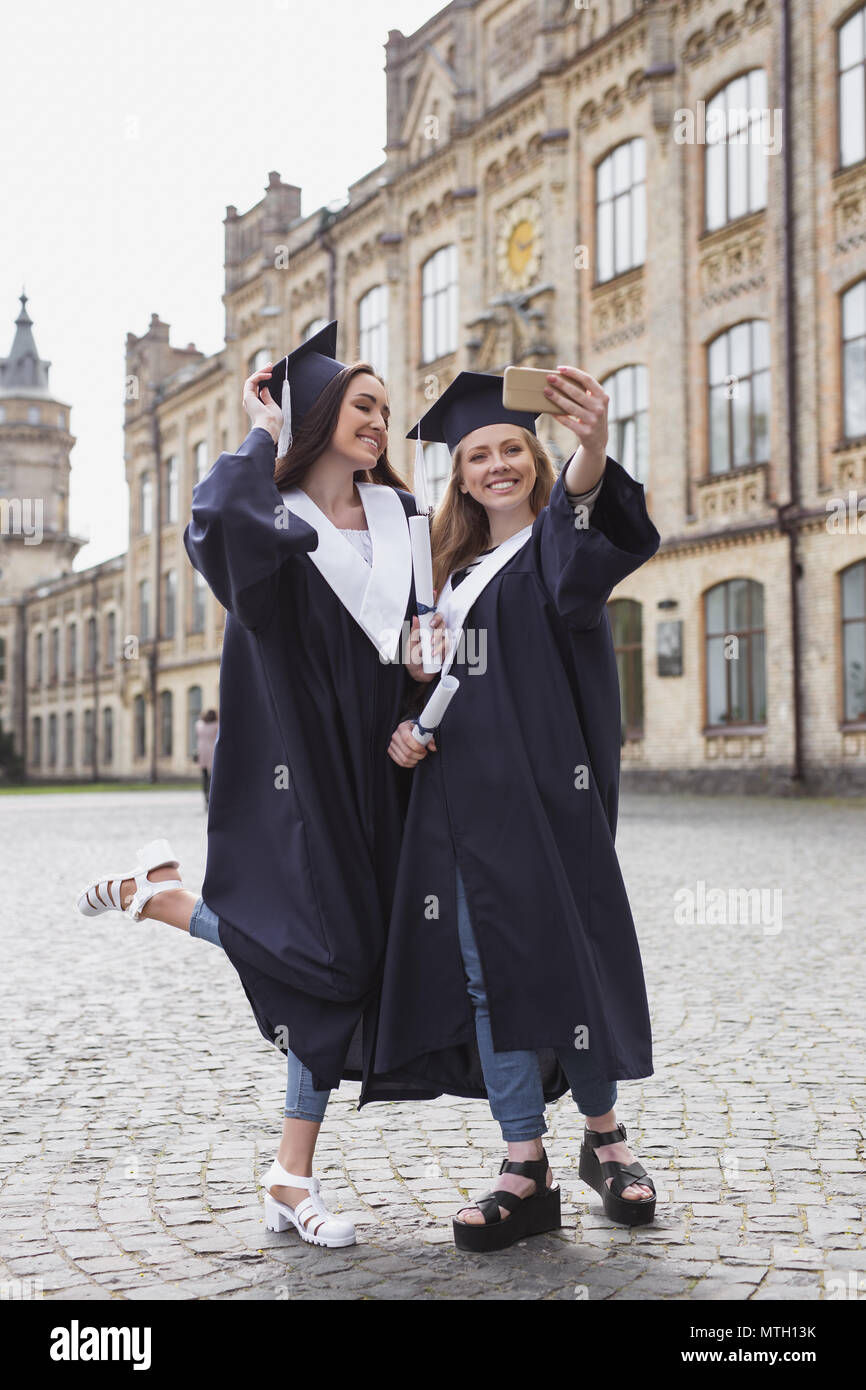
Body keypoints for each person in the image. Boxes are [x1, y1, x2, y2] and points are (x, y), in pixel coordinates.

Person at [75, 323, 443, 1248]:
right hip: (295, 773)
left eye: (387, 412)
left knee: (346, 963)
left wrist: (424, 681)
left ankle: (288, 1173)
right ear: (319, 413)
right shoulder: (274, 524)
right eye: (364, 404)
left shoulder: (407, 522)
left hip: (383, 771)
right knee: (331, 961)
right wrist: (262, 431)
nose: (380, 421)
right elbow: (216, 522)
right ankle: (288, 1175)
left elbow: (424, 637)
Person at [374, 367, 661, 1252]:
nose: (496, 465)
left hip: (543, 800)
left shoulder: (550, 547)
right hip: (457, 805)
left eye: (510, 450)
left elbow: (585, 520)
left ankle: (606, 1140)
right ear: (458, 477)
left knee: (564, 956)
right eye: (476, 456)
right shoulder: (449, 577)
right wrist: (409, 724)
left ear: (535, 462)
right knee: (483, 973)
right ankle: (523, 1165)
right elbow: (445, 689)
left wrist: (595, 445)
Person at [194, 708, 218, 808]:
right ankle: (212, 795)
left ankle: (205, 795)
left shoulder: (199, 725)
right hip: (212, 751)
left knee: (204, 776)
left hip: (202, 750)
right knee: (213, 776)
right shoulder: (216, 725)